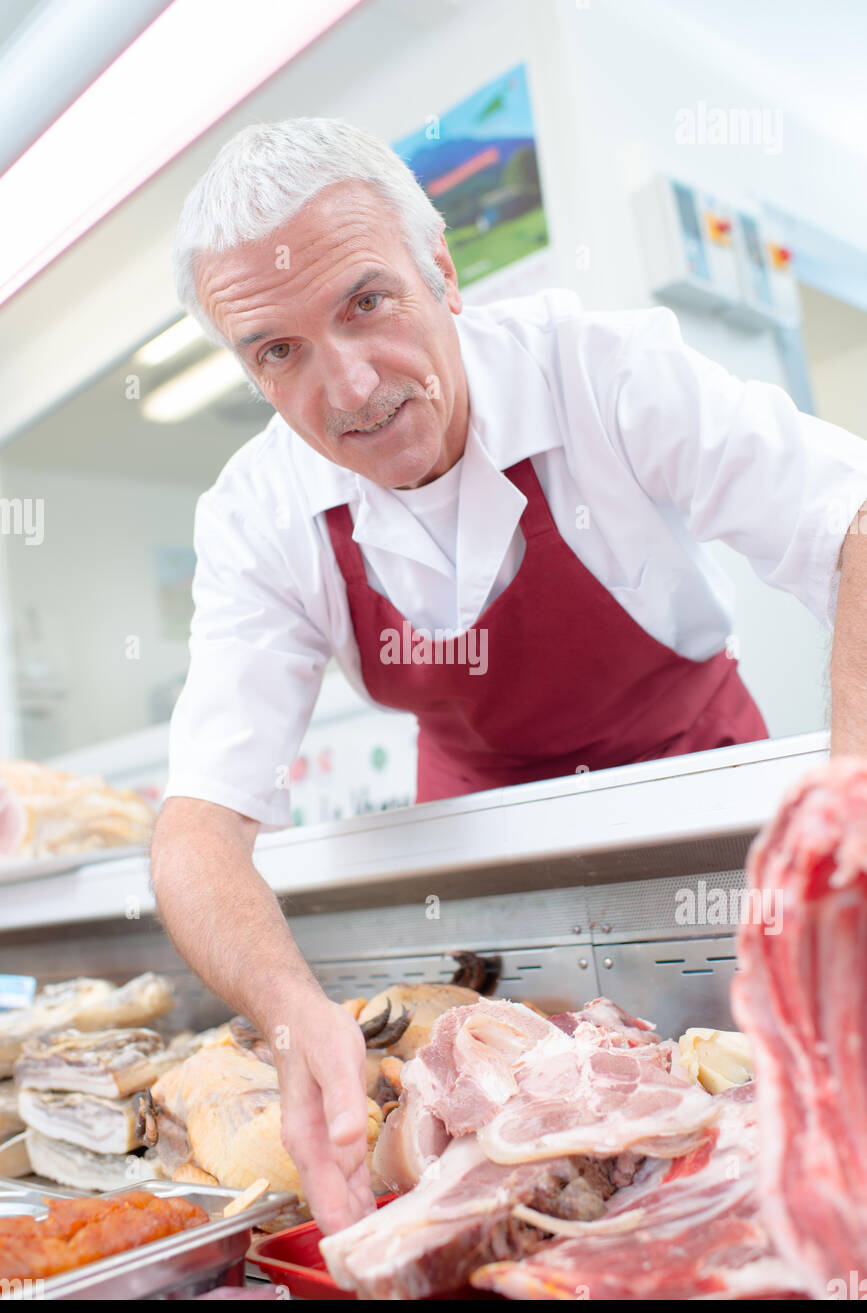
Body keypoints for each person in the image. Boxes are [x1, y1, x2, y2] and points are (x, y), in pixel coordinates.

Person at [150, 117, 867, 1235]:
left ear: (443, 271)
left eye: (366, 302)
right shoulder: (258, 513)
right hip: (483, 848)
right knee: (514, 1158)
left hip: (694, 782)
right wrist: (292, 1017)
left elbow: (852, 523)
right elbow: (197, 825)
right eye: (275, 351)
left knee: (772, 1107)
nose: (347, 388)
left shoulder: (601, 370)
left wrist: (848, 818)